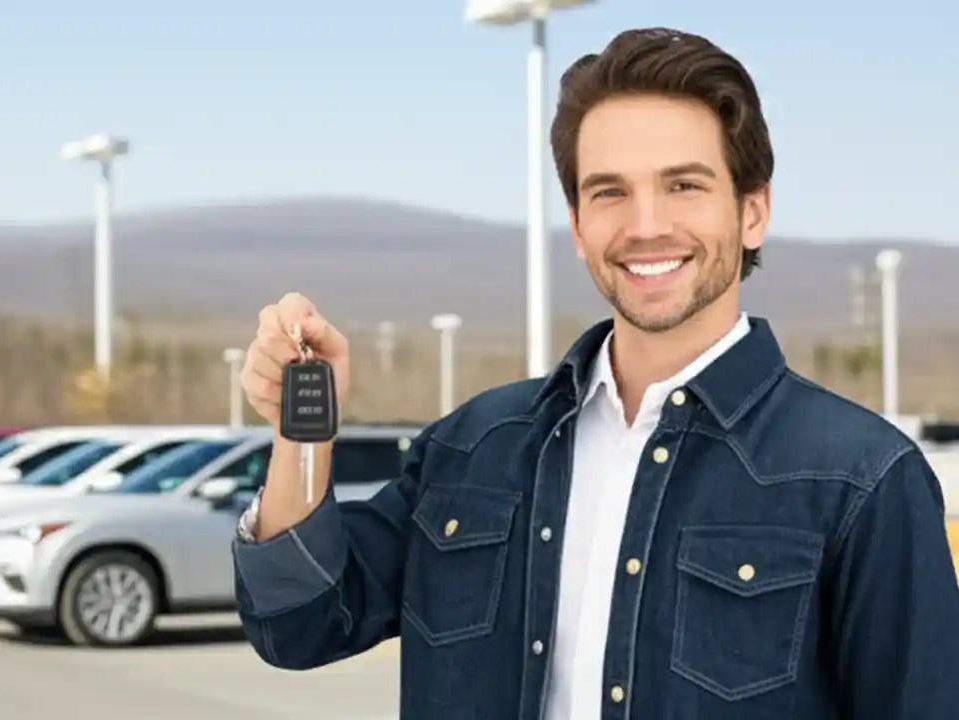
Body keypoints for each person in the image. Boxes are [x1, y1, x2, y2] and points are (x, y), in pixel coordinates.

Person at [230, 27, 959, 719]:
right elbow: (298, 624)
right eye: (609, 191)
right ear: (578, 227)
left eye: (684, 186)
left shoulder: (861, 480)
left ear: (753, 211)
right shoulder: (472, 448)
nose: (645, 225)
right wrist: (303, 436)